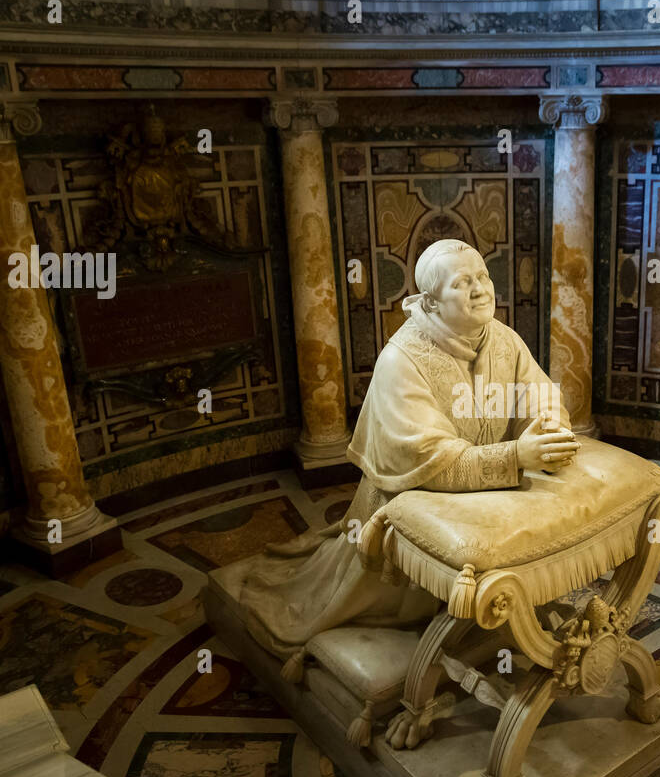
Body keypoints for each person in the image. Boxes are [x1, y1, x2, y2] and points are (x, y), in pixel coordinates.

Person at [238, 239, 581, 661]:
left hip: (490, 495)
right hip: (412, 506)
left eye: (483, 277)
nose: (480, 289)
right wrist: (515, 457)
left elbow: (541, 394)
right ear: (431, 303)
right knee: (397, 606)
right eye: (462, 282)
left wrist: (548, 431)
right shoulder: (401, 361)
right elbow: (429, 463)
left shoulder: (502, 339)